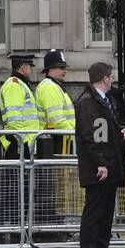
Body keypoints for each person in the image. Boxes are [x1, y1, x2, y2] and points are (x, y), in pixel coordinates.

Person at [75, 62, 125, 248]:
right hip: (100, 167)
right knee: (94, 212)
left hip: (110, 164)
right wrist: (100, 163)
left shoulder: (104, 100)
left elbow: (105, 130)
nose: (113, 79)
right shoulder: (89, 102)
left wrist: (122, 130)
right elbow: (90, 136)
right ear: (104, 78)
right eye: (111, 76)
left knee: (106, 213)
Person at [33, 50, 76, 232]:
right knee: (55, 182)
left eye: (64, 67)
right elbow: (58, 119)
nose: (64, 71)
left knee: (59, 182)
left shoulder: (55, 86)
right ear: (50, 69)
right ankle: (51, 219)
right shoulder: (50, 88)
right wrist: (76, 133)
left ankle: (55, 217)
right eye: (60, 67)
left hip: (59, 140)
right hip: (54, 141)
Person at [0, 52, 39, 159]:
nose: (31, 70)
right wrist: (24, 142)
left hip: (22, 144)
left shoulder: (21, 84)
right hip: (18, 146)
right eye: (30, 66)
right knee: (18, 175)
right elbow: (14, 119)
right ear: (24, 67)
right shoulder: (14, 85)